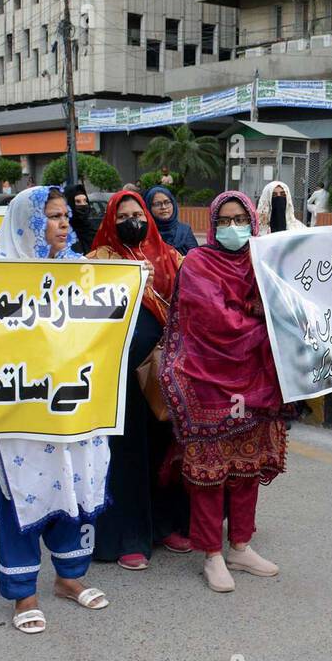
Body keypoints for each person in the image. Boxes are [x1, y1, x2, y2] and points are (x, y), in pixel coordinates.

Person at [0, 186, 111, 634]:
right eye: (51, 216)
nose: (62, 224)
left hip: (72, 404)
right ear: (25, 222)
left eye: (63, 217)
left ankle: (69, 579)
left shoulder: (80, 269)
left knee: (72, 487)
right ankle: (24, 594)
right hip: (19, 410)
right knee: (24, 492)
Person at [158, 191, 287, 593]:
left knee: (247, 466)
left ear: (252, 219)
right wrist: (263, 321)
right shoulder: (198, 263)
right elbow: (216, 322)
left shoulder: (262, 261)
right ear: (213, 226)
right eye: (225, 221)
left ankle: (241, 545)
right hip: (207, 380)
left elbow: (288, 304)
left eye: (240, 219)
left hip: (257, 382)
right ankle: (211, 553)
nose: (233, 228)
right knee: (209, 474)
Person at [86, 190, 189, 569]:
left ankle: (166, 526)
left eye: (138, 214)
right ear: (111, 222)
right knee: (128, 455)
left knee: (166, 448)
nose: (133, 221)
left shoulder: (169, 257)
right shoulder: (97, 261)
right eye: (124, 215)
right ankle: (128, 536)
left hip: (164, 373)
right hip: (119, 379)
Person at [145, 185, 199, 256]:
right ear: (148, 207)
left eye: (167, 202)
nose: (164, 207)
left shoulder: (185, 231)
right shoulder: (144, 232)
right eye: (157, 204)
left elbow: (196, 260)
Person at [64, 183, 98, 253]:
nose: (83, 204)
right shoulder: (62, 233)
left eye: (85, 201)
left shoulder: (93, 230)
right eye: (77, 201)